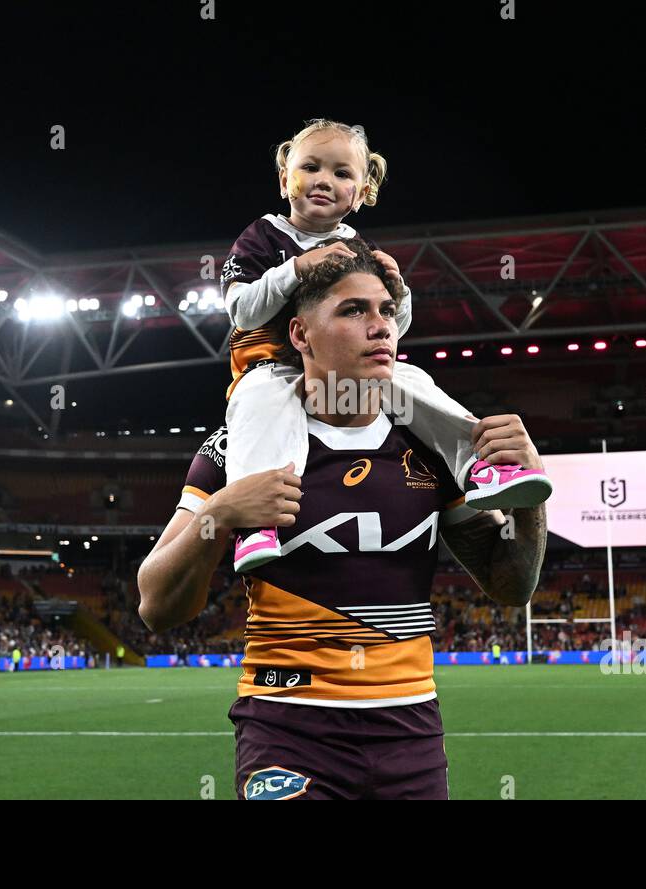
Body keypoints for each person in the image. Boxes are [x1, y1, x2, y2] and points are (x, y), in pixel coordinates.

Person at [138, 239, 548, 799]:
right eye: (354, 311)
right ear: (300, 335)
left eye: (385, 311)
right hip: (285, 723)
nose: (380, 327)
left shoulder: (428, 441)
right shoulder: (238, 446)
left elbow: (510, 585)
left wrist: (532, 501)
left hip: (411, 729)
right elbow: (157, 607)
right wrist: (222, 511)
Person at [219, 119, 551, 573]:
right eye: (310, 167)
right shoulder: (262, 236)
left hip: (349, 374)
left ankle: (485, 465)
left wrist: (399, 291)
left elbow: (394, 327)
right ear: (284, 179)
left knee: (414, 382)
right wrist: (294, 270)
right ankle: (256, 524)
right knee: (258, 408)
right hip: (270, 368)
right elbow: (242, 312)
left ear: (360, 194)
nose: (323, 180)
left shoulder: (360, 246)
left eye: (342, 173)